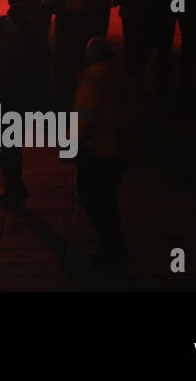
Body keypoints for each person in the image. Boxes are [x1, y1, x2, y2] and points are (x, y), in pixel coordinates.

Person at [0, 5, 53, 207]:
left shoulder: (14, 43)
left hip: (10, 101)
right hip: (23, 101)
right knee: (9, 146)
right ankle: (14, 185)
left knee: (4, 147)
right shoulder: (33, 39)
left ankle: (15, 186)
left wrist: (0, 30)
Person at [74, 39, 138, 268]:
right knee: (109, 196)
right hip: (123, 147)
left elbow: (83, 121)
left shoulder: (91, 85)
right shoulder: (124, 79)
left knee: (90, 197)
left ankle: (110, 243)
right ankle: (113, 241)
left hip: (99, 150)